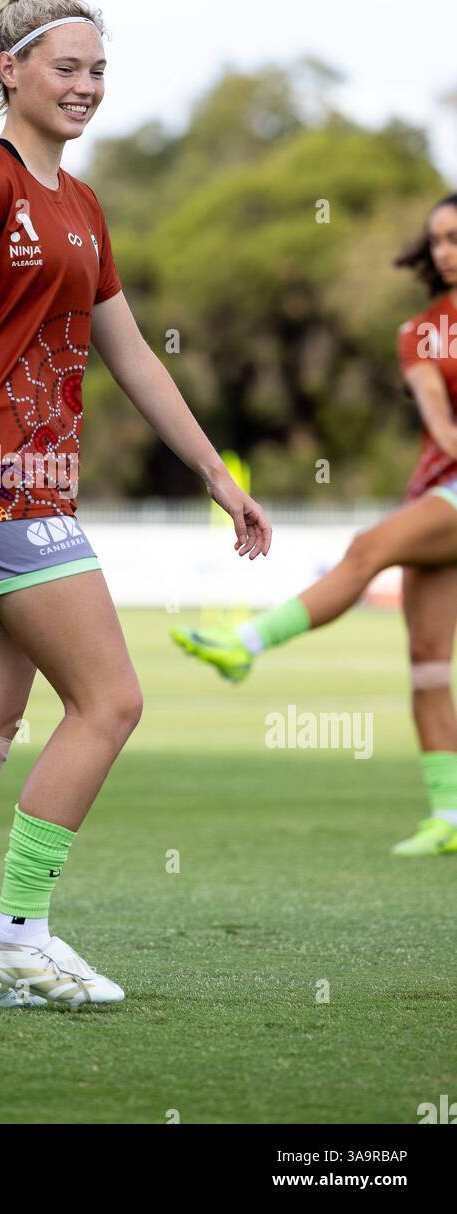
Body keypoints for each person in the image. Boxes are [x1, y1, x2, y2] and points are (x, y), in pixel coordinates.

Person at [0, 0, 271, 1008]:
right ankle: (18, 930)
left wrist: (215, 474)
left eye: (98, 70)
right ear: (10, 70)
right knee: (110, 700)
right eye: (66, 67)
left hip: (36, 487)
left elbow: (130, 355)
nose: (87, 86)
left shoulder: (82, 205)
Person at [170, 192, 457, 857]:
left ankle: (246, 643)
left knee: (366, 547)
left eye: (455, 237)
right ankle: (448, 815)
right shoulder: (417, 332)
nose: (445, 250)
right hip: (440, 486)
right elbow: (441, 423)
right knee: (426, 664)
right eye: (437, 239)